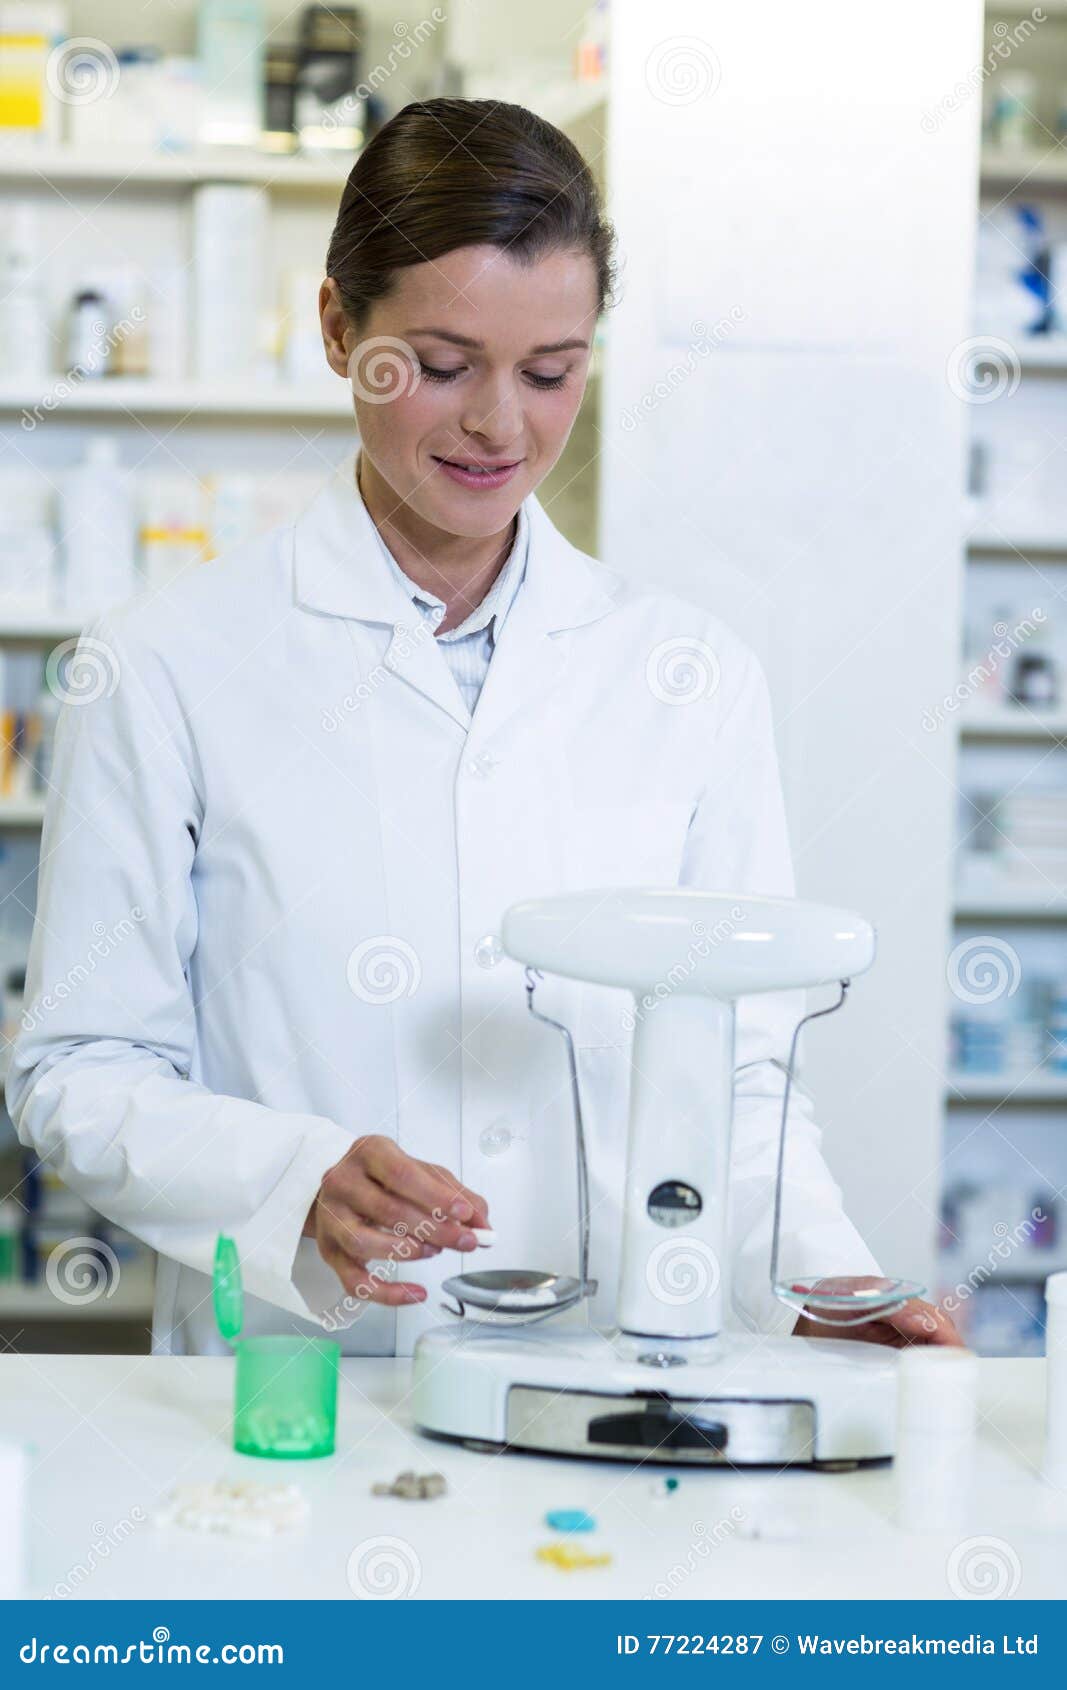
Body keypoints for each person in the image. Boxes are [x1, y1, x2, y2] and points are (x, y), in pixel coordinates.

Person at [6, 99, 960, 1355]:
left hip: (612, 1383)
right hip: (302, 1391)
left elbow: (737, 1072)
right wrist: (293, 1177)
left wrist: (825, 1286)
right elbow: (79, 1065)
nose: (499, 425)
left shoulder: (685, 674)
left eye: (551, 371)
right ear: (340, 329)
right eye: (443, 366)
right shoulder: (166, 663)